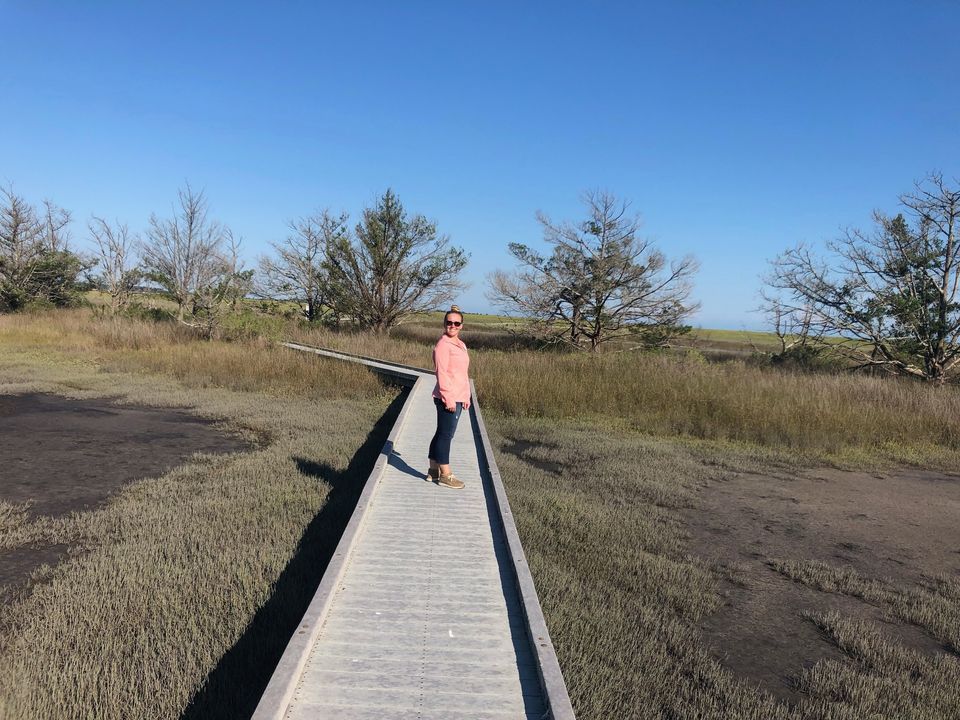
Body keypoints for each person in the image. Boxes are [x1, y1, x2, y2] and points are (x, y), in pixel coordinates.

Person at [427, 305, 470, 489]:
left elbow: (462, 373)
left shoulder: (460, 344)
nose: (452, 325)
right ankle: (446, 474)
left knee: (441, 433)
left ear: (461, 325)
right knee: (446, 435)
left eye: (456, 323)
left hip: (459, 395)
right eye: (449, 322)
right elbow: (441, 373)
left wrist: (466, 395)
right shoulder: (443, 345)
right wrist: (449, 398)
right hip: (448, 397)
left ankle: (433, 470)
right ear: (444, 323)